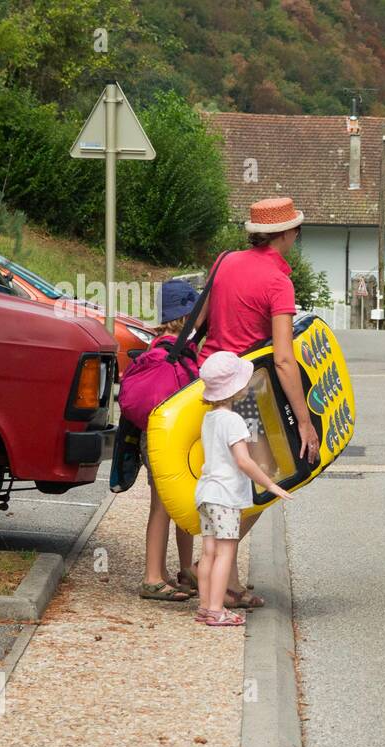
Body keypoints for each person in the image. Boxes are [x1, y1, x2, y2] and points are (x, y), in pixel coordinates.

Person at [193, 196, 318, 610]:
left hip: (206, 381)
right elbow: (284, 358)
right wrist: (304, 420)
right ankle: (212, 569)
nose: (296, 236)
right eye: (295, 230)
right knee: (261, 483)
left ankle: (221, 579)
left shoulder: (225, 261)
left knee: (215, 476)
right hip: (247, 391)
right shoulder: (278, 282)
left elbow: (200, 322)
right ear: (286, 234)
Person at [193, 352, 293, 626]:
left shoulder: (209, 418)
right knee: (226, 552)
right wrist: (271, 484)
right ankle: (216, 609)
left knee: (208, 553)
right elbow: (243, 460)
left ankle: (204, 607)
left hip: (206, 493)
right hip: (225, 496)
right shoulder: (234, 421)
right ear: (235, 388)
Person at [138, 279, 202, 602]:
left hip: (158, 438)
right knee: (163, 506)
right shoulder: (173, 351)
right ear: (184, 316)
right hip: (166, 441)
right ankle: (152, 576)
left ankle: (183, 569)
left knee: (180, 501)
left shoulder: (161, 346)